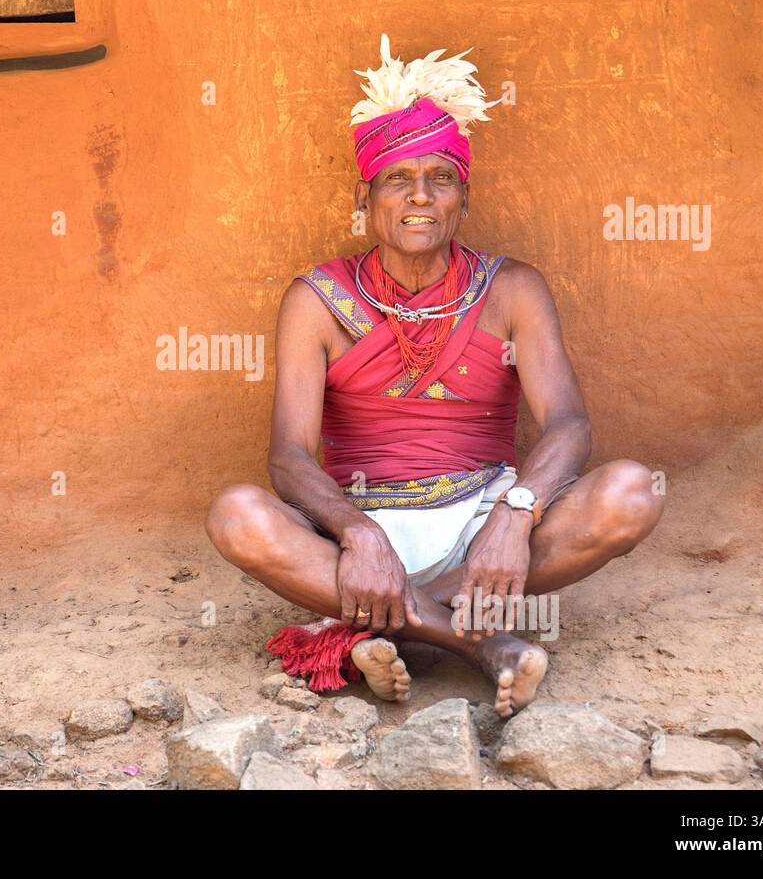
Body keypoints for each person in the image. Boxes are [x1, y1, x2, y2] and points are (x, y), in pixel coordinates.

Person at [205, 35, 664, 717]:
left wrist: (514, 516)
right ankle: (478, 642)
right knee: (236, 516)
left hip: (487, 518)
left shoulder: (513, 289)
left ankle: (387, 619)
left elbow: (569, 424)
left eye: (440, 179)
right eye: (398, 179)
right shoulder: (316, 299)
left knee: (633, 492)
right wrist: (358, 533)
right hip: (366, 525)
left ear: (463, 198)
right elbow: (289, 457)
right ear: (365, 197)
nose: (420, 196)